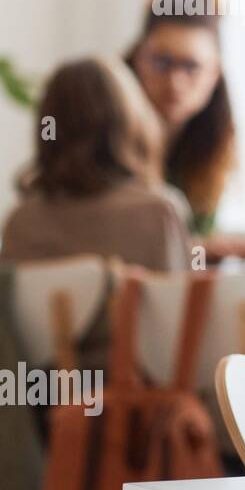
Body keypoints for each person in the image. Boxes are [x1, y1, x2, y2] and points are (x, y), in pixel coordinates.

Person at [2, 56, 191, 372]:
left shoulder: (19, 223)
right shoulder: (159, 212)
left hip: (36, 406)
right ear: (128, 124)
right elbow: (184, 328)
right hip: (134, 406)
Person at [126, 0, 245, 259]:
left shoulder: (212, 145)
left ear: (214, 73)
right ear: (136, 59)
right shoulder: (101, 131)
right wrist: (195, 250)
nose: (175, 82)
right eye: (161, 62)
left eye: (191, 66)